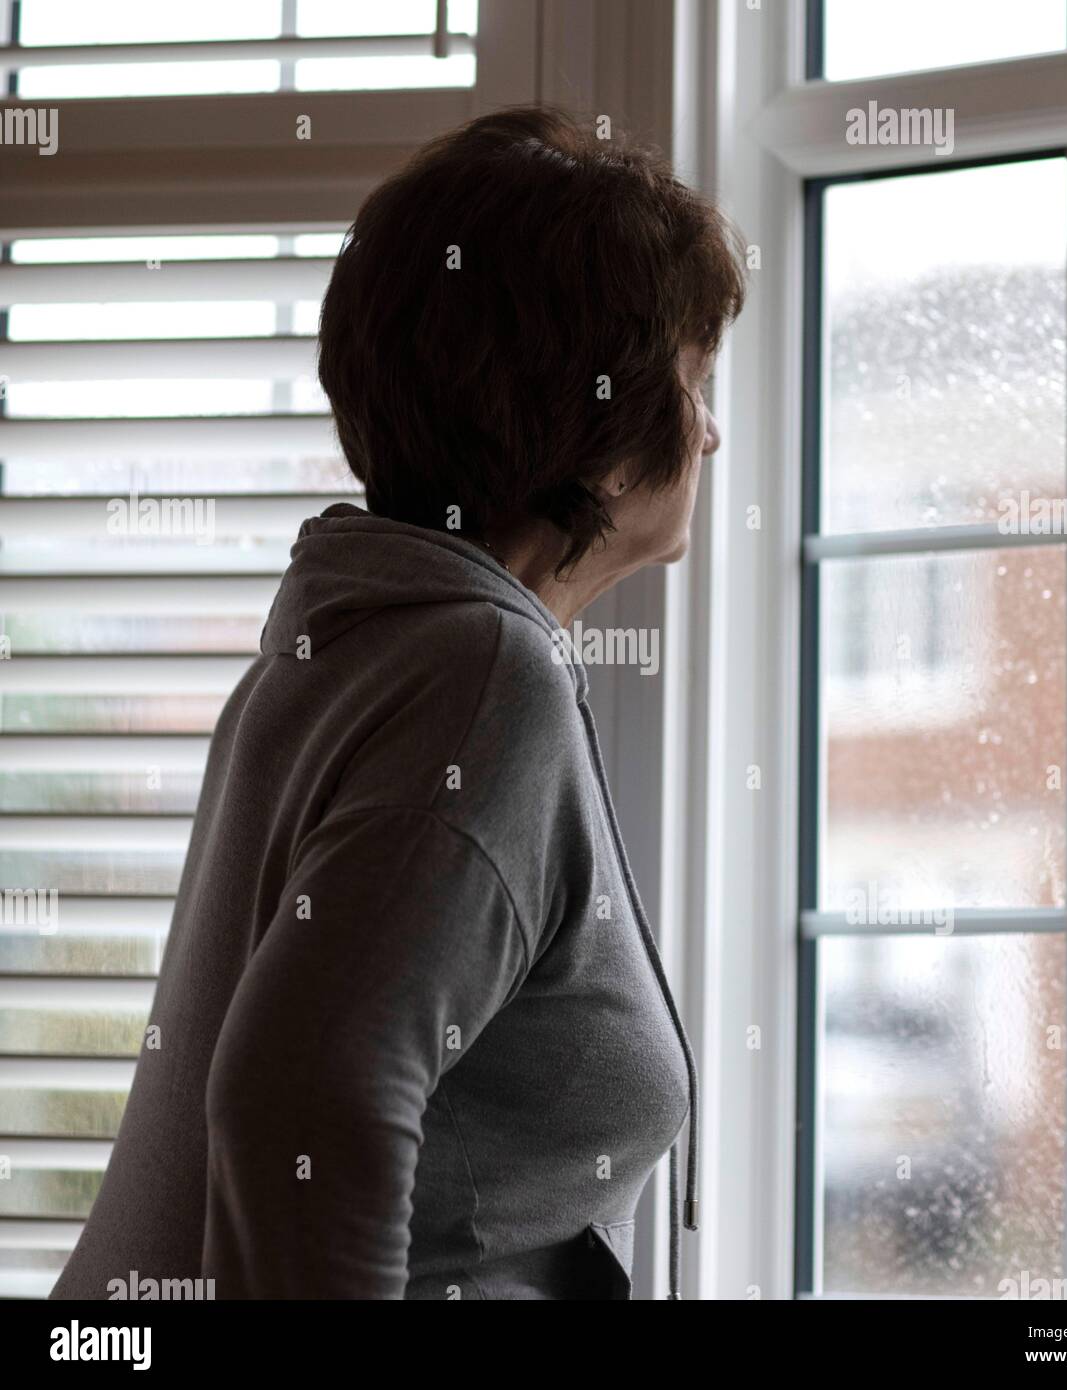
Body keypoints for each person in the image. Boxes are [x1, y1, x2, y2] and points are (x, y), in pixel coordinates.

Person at [50, 105, 745, 1301]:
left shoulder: (357, 642)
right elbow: (300, 1105)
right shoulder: (479, 680)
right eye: (691, 379)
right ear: (595, 418)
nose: (713, 431)